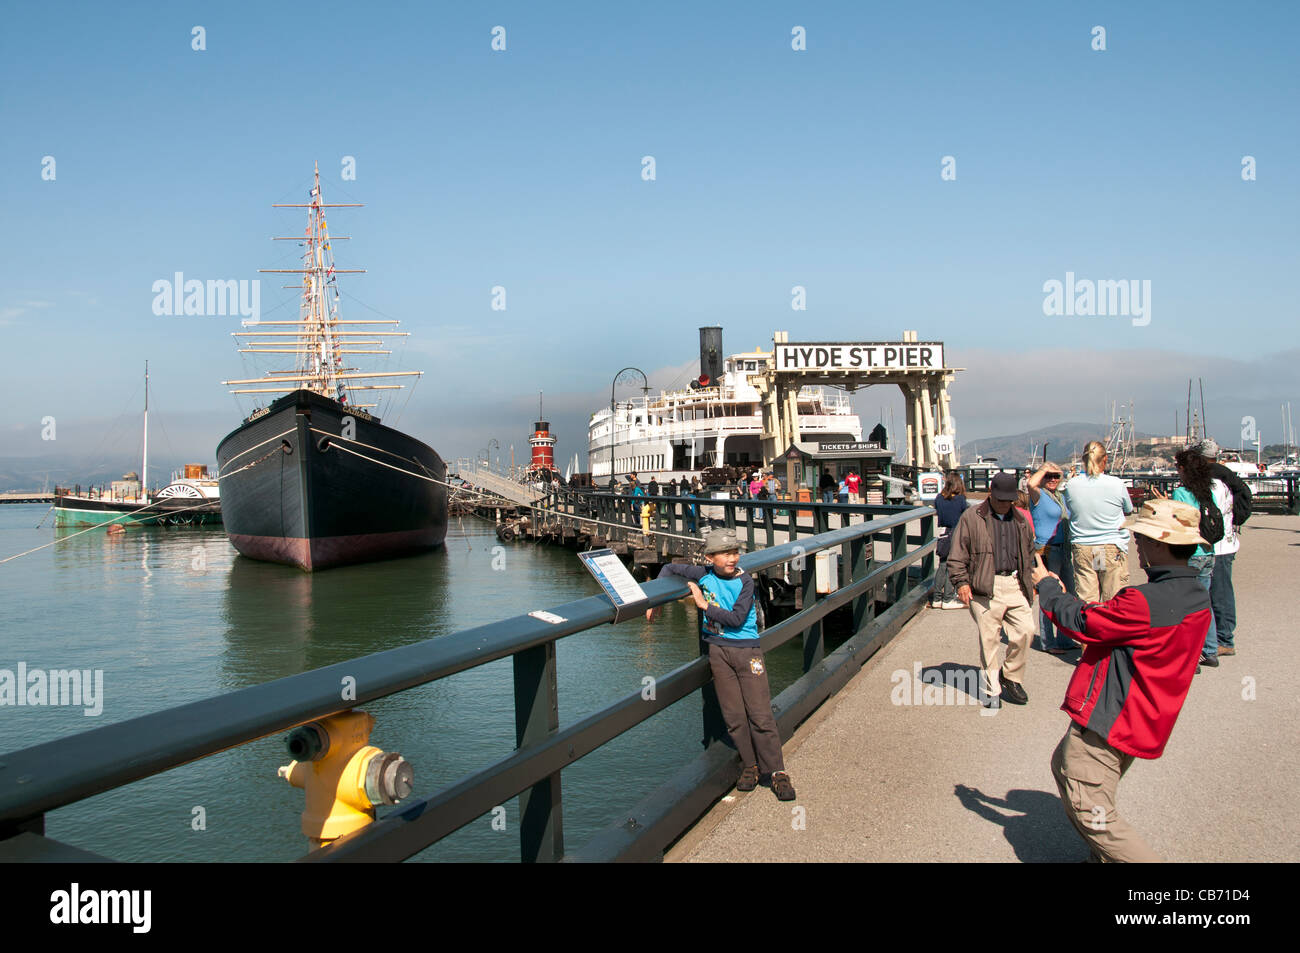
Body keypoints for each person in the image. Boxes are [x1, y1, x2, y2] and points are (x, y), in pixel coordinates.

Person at [1035, 498, 1211, 862]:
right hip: (1144, 716)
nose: (1137, 545)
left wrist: (1048, 588)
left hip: (1111, 715)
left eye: (1143, 539)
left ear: (1161, 544)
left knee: (1091, 807)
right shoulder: (1196, 596)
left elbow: (1085, 624)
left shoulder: (1145, 600)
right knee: (1073, 774)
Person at [647, 529, 797, 800]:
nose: (732, 559)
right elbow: (669, 568)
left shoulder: (745, 582)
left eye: (735, 553)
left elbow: (737, 619)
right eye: (725, 554)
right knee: (734, 716)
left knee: (760, 714)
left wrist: (704, 605)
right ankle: (750, 765)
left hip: (746, 651)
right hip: (719, 653)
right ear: (710, 557)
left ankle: (776, 771)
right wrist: (654, 600)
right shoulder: (703, 574)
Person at [946, 472, 1037, 708]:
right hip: (985, 585)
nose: (1005, 505)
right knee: (989, 639)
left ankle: (1011, 677)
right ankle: (991, 689)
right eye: (1001, 500)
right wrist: (961, 582)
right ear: (991, 494)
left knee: (1025, 631)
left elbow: (1029, 553)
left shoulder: (1020, 520)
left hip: (1015, 583)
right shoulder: (971, 517)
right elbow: (957, 553)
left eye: (1009, 501)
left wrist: (1032, 582)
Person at [1168, 445, 1232, 668]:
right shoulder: (1208, 490)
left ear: (1184, 469)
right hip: (1208, 550)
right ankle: (1210, 649)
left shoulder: (1181, 493)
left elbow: (1178, 522)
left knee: (1186, 606)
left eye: (1178, 467)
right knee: (1204, 602)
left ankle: (1190, 655)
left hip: (1190, 551)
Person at [1062, 441, 1133, 603]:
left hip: (1084, 547)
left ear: (1083, 459)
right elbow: (1128, 509)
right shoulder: (1116, 484)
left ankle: (1091, 628)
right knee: (1113, 600)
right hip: (1109, 545)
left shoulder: (1072, 485)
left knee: (1088, 601)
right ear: (1105, 459)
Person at [1197, 440, 1247, 656]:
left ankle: (1223, 639)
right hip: (1227, 542)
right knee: (1222, 593)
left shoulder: (1207, 482)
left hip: (1212, 545)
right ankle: (1222, 637)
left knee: (1213, 594)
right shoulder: (1228, 478)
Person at [1026, 462, 1075, 653]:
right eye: (1049, 476)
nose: (1053, 479)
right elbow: (1031, 484)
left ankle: (1066, 638)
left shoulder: (1060, 498)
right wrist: (1045, 469)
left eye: (1056, 476)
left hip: (1064, 549)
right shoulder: (1038, 496)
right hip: (1048, 549)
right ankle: (1048, 642)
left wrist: (1062, 473)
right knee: (1049, 594)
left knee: (1069, 594)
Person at [931, 472, 968, 609]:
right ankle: (948, 598)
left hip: (943, 533)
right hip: (956, 533)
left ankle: (937, 598)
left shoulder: (939, 498)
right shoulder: (960, 499)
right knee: (952, 565)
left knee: (942, 565)